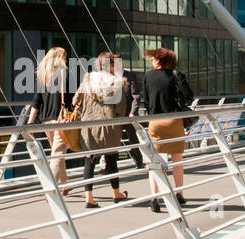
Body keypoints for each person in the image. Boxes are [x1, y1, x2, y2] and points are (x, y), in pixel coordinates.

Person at [75, 52, 132, 208]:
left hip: (88, 126)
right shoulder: (117, 83)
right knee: (111, 160)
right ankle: (116, 194)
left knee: (89, 161)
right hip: (109, 126)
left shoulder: (87, 80)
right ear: (110, 66)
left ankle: (89, 198)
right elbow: (120, 110)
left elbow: (75, 100)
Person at [141, 47, 194, 212]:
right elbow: (189, 97)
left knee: (155, 161)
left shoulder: (148, 76)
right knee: (177, 159)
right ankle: (179, 193)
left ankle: (155, 198)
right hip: (174, 121)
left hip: (155, 122)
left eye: (153, 59)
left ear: (158, 60)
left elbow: (146, 99)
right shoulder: (177, 75)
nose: (151, 61)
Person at [27, 47, 74, 192]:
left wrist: (30, 123)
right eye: (64, 56)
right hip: (61, 120)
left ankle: (64, 184)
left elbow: (36, 102)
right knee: (57, 154)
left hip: (46, 121)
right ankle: (50, 189)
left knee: (57, 152)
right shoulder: (65, 74)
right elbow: (73, 99)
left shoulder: (43, 76)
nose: (66, 59)